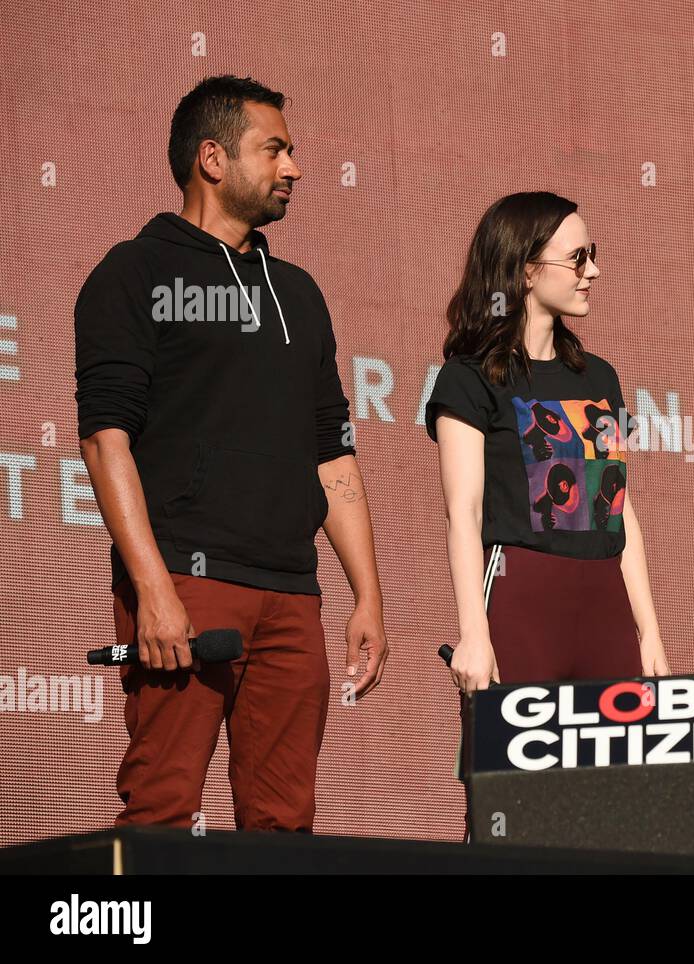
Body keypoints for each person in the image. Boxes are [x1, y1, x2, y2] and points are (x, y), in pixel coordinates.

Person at [74, 75, 389, 831]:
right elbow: (102, 437)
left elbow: (332, 453)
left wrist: (367, 593)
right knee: (161, 810)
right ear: (212, 159)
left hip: (292, 595)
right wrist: (152, 588)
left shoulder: (301, 293)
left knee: (283, 826)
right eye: (275, 149)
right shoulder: (135, 272)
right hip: (186, 581)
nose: (294, 168)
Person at [426, 191, 670, 703]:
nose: (594, 271)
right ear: (527, 269)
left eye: (593, 254)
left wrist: (648, 632)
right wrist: (474, 633)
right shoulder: (469, 379)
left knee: (620, 778)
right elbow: (463, 512)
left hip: (606, 608)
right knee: (517, 779)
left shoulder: (599, 377)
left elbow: (619, 512)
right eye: (578, 257)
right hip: (522, 603)